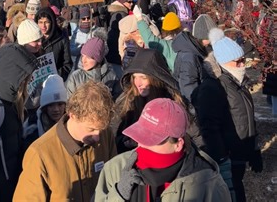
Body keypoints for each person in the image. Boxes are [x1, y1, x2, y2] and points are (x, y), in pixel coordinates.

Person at [96, 97, 230, 201]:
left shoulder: (208, 183)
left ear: (178, 144)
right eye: (140, 137)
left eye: (151, 140)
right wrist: (118, 195)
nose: (142, 147)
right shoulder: (115, 169)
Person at [13, 80, 117, 201]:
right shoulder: (39, 154)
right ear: (73, 115)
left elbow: (113, 180)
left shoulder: (106, 134)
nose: (98, 137)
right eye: (91, 129)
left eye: (101, 129)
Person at [192, 28, 263, 202]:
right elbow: (209, 128)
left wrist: (254, 149)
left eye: (243, 61)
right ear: (223, 62)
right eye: (237, 62)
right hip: (227, 158)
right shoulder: (213, 88)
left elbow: (247, 118)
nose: (242, 65)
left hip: (240, 152)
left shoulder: (239, 83)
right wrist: (222, 158)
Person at [0, 43, 38, 202]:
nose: (29, 84)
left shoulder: (7, 101)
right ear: (15, 77)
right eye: (26, 80)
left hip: (13, 189)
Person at [23, 74, 67, 146]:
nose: (56, 109)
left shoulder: (73, 123)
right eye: (51, 105)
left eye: (60, 104)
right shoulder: (33, 129)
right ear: (45, 107)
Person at [36, 6, 72, 81]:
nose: (43, 26)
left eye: (46, 22)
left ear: (52, 22)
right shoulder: (34, 40)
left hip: (55, 82)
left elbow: (67, 64)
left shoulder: (61, 40)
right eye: (40, 22)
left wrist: (55, 76)